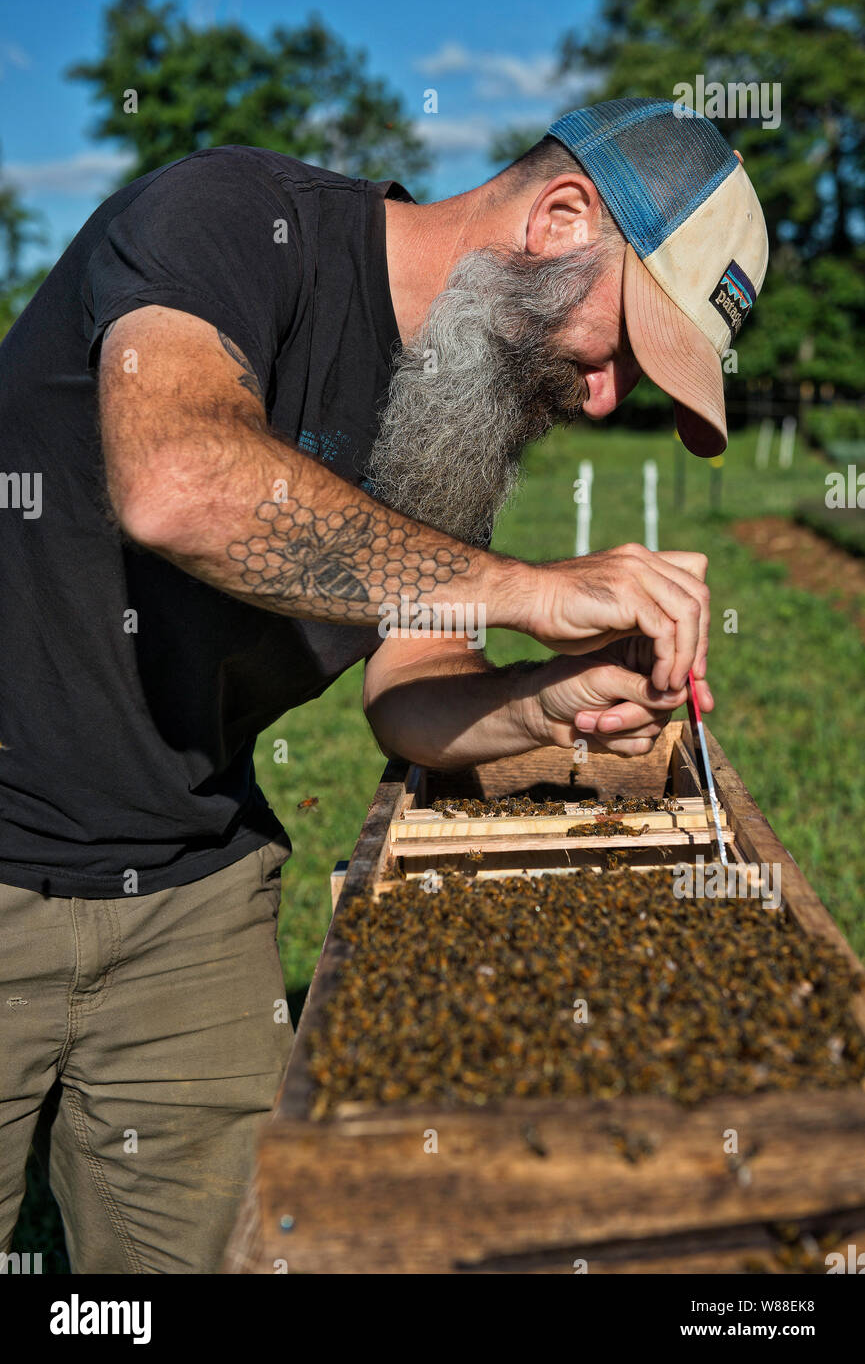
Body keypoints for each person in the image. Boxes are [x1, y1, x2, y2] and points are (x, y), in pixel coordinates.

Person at [0, 98, 767, 1272]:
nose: (606, 399)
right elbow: (178, 481)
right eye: (618, 350)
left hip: (191, 884)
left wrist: (544, 699)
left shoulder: (461, 410)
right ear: (560, 218)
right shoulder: (226, 219)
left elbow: (408, 683)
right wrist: (527, 587)